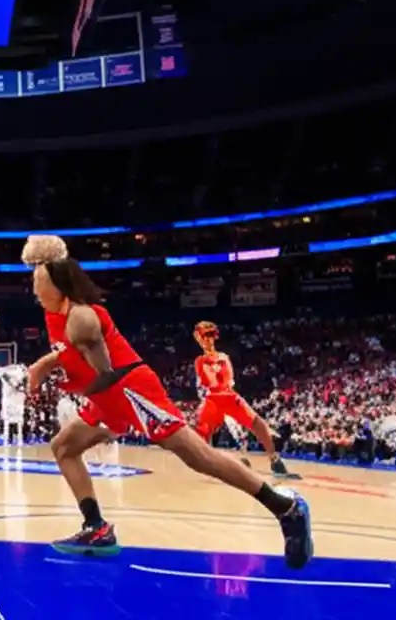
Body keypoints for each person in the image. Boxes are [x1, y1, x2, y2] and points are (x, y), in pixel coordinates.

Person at [20, 235, 313, 569]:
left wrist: (69, 383)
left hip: (131, 392)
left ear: (57, 284)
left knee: (200, 457)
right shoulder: (56, 314)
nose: (32, 288)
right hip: (107, 398)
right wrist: (47, 364)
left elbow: (108, 372)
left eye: (36, 281)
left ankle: (286, 509)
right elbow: (67, 352)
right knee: (64, 447)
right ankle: (96, 527)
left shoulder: (82, 318)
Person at [192, 321, 295, 477]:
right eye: (203, 336)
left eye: (210, 336)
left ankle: (275, 460)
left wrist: (217, 372)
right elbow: (211, 382)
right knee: (203, 439)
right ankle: (221, 463)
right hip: (213, 399)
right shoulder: (200, 361)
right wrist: (216, 373)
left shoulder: (224, 357)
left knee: (258, 424)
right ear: (198, 339)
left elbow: (228, 379)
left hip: (229, 396)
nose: (207, 339)